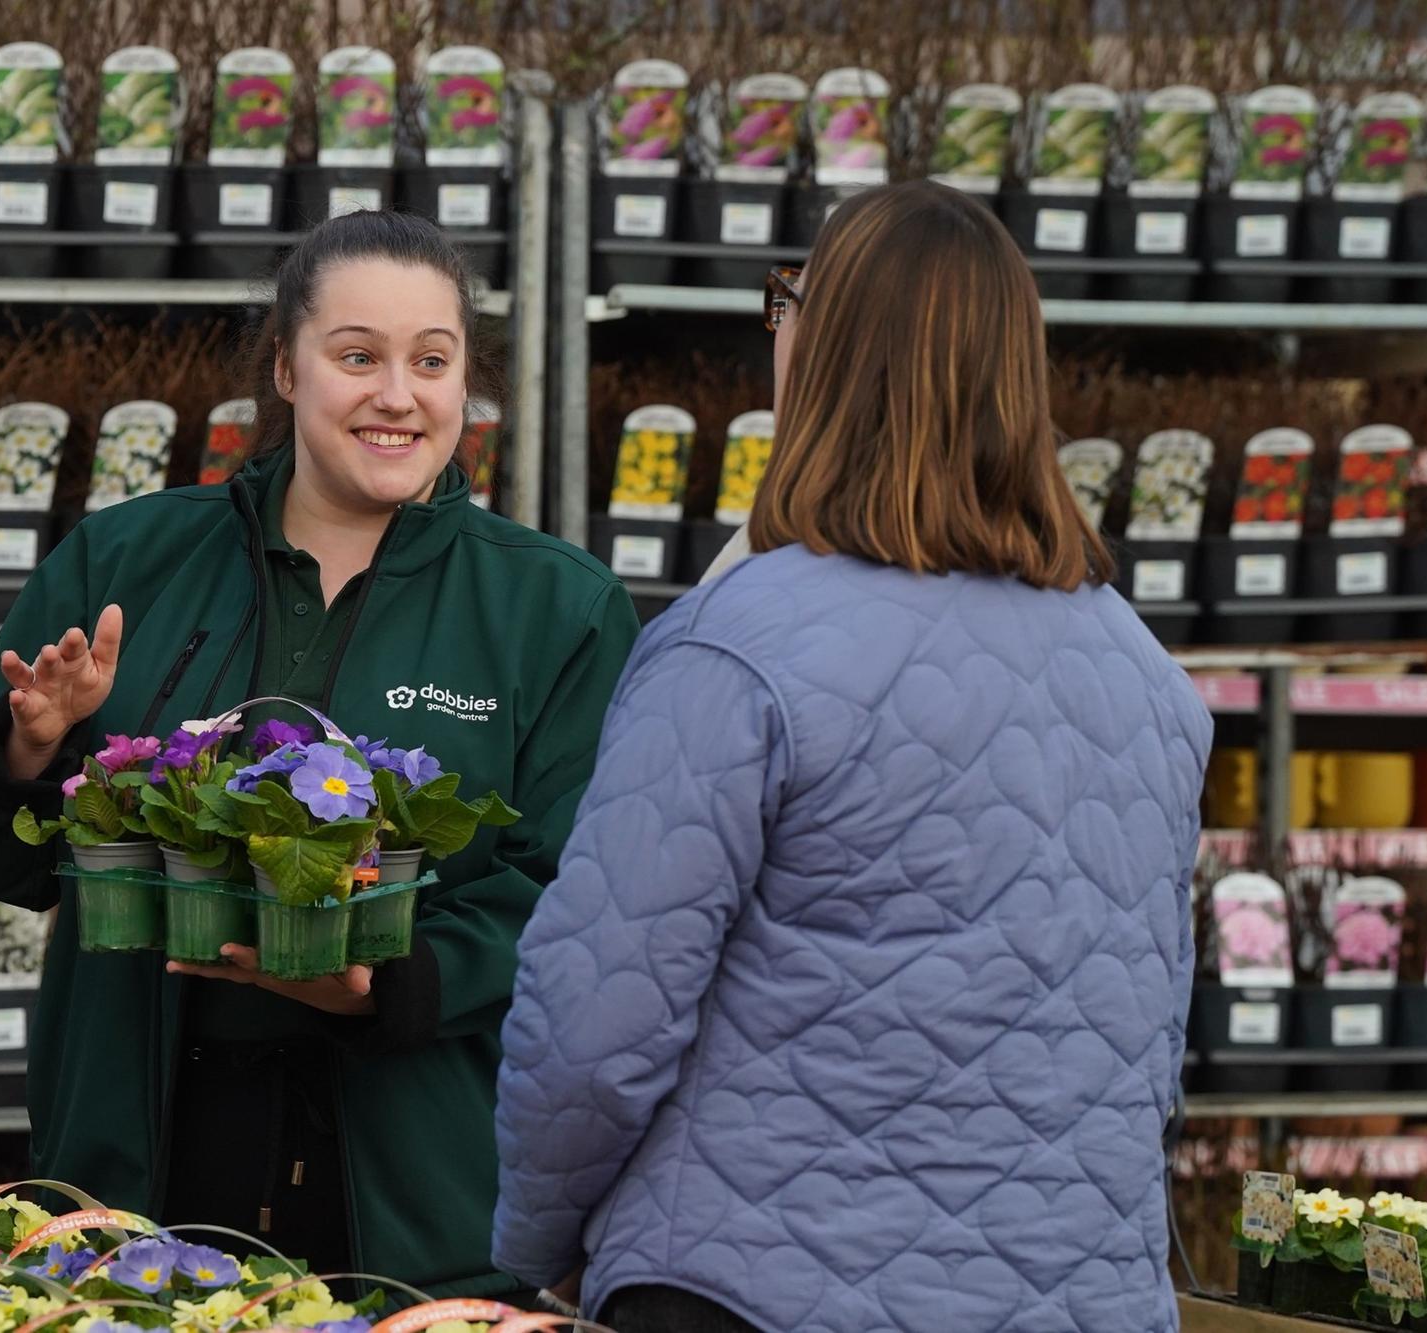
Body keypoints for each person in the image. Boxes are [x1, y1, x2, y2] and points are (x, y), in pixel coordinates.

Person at [491, 180, 1214, 1332]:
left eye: (791, 303)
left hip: (754, 1288)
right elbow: (1140, 1041)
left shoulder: (734, 649)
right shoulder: (1146, 679)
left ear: (824, 353)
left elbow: (592, 1028)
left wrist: (540, 1241)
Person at [0, 209, 640, 1300]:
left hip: (413, 1191)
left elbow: (584, 888)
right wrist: (27, 742)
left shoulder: (553, 608)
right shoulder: (132, 558)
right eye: (357, 357)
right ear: (287, 370)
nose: (397, 394)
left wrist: (390, 981)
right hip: (142, 1176)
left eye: (430, 362)